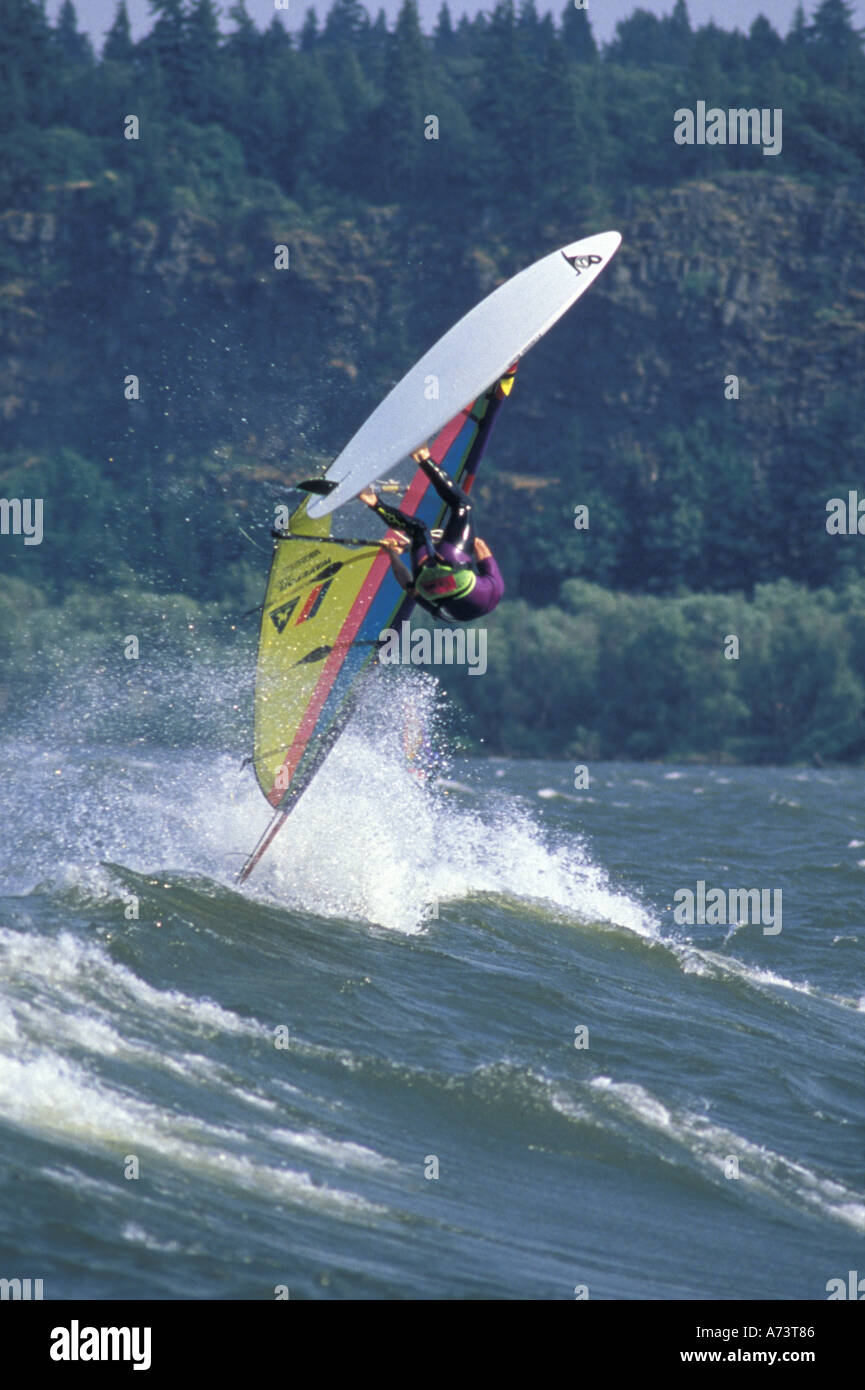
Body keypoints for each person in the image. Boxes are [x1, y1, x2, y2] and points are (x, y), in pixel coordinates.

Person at [360, 446, 504, 623]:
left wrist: (443, 537)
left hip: (457, 571)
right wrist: (393, 554)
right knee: (417, 531)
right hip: (427, 586)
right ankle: (373, 502)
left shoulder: (496, 590)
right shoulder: (449, 616)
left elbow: (478, 544)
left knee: (462, 507)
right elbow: (408, 587)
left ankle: (422, 457)